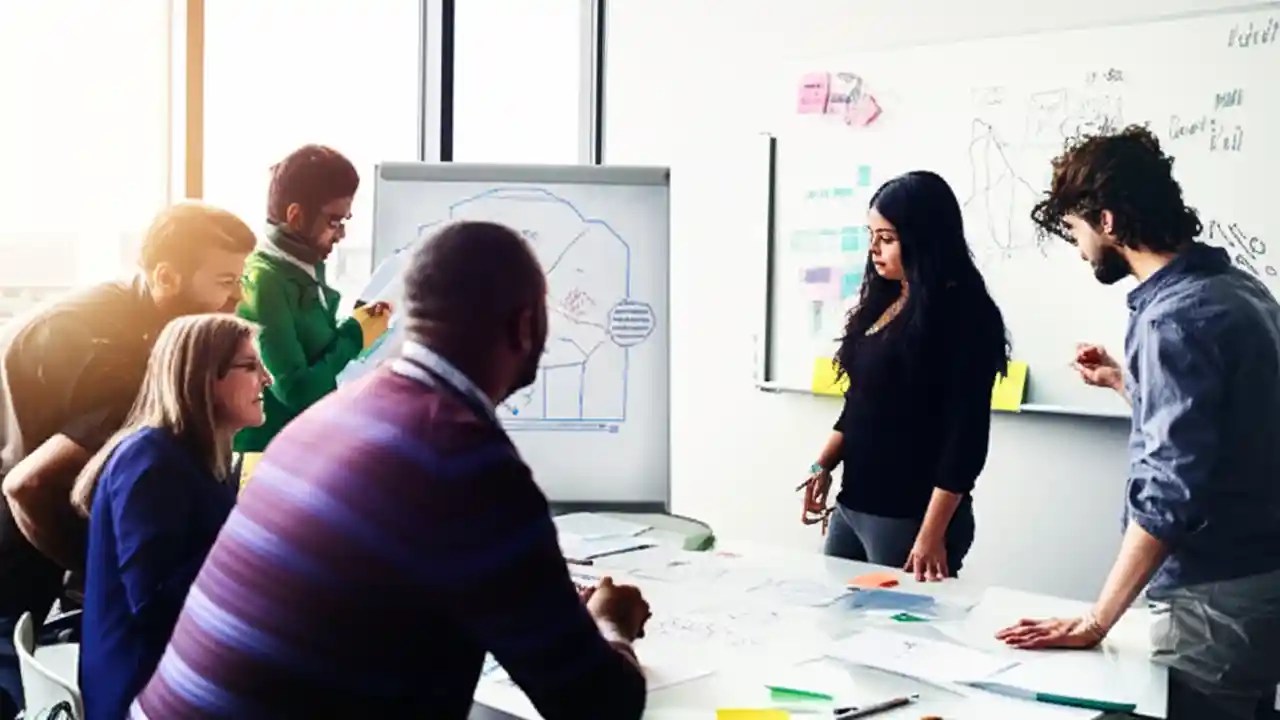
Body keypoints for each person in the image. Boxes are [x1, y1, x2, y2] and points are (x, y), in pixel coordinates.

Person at [132, 221, 650, 719]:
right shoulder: (464, 462)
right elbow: (599, 704)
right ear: (526, 325)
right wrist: (608, 621)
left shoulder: (326, 419)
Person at [995, 126, 1280, 719]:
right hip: (1260, 582)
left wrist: (1098, 618)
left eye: (1075, 231)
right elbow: (1226, 424)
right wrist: (1129, 382)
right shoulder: (1237, 289)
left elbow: (1171, 492)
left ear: (1107, 222)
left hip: (1212, 604)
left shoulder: (1170, 320)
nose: (1077, 249)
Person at [0, 202, 255, 719]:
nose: (238, 297)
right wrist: (99, 576)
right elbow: (29, 486)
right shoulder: (113, 357)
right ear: (165, 276)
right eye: (225, 279)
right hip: (15, 565)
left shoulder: (135, 321)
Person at [800, 171, 1009, 581]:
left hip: (910, 519)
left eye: (888, 238)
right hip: (853, 506)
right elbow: (860, 405)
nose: (874, 250)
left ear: (923, 238)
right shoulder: (886, 301)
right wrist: (821, 466)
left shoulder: (964, 314)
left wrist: (933, 534)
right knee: (836, 629)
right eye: (871, 235)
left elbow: (965, 440)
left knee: (897, 641)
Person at [72, 314, 269, 720]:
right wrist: (250, 526)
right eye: (250, 366)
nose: (267, 379)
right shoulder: (152, 461)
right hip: (144, 694)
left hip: (172, 675)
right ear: (202, 378)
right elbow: (154, 606)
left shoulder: (195, 459)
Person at [233, 144, 390, 454]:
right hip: (269, 457)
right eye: (334, 221)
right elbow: (296, 389)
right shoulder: (264, 280)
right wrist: (355, 334)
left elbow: (318, 354)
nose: (341, 234)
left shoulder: (304, 267)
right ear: (296, 216)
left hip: (304, 447)